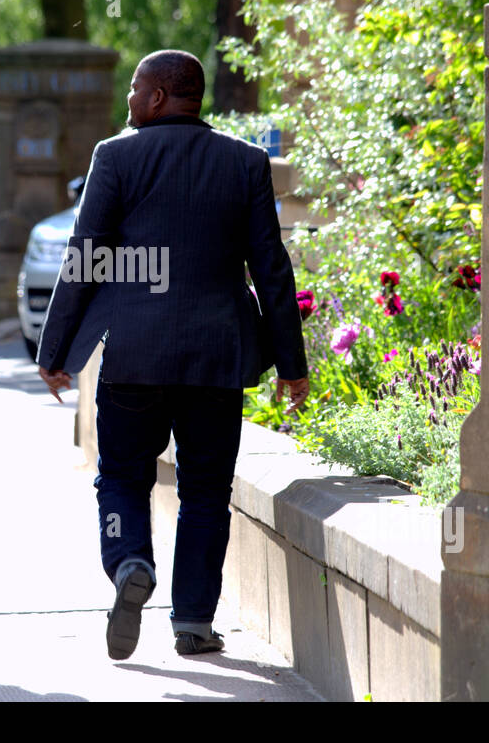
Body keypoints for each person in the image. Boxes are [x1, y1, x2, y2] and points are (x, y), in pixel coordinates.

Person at [36, 49, 309, 660]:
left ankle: (130, 558)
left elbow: (83, 258)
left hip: (134, 354)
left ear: (157, 97)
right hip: (216, 358)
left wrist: (55, 351)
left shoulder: (116, 156)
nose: (128, 100)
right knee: (206, 491)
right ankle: (192, 621)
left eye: (135, 89)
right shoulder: (245, 162)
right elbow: (272, 269)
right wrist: (292, 363)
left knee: (122, 477)